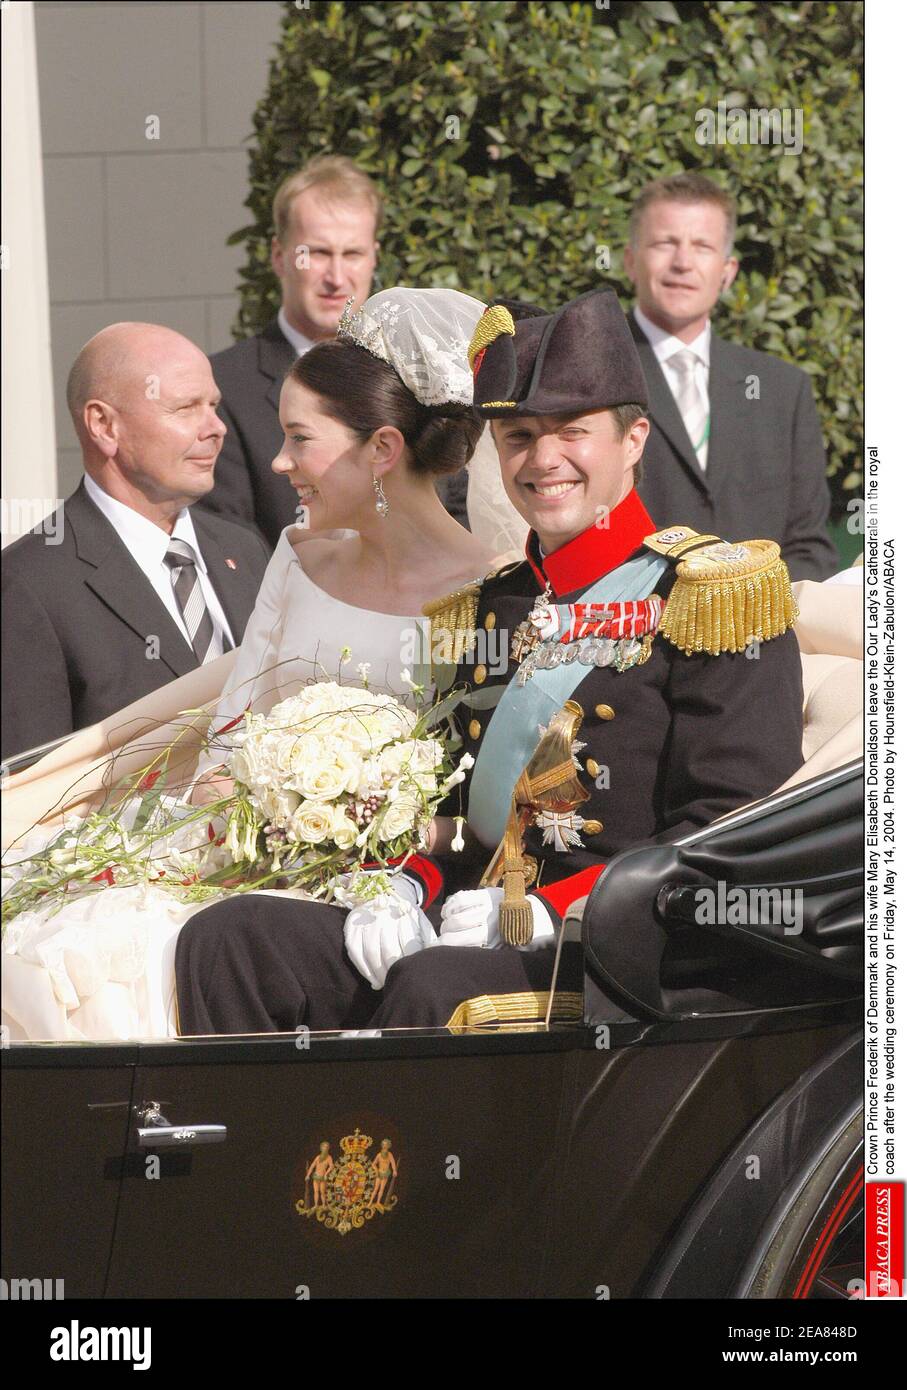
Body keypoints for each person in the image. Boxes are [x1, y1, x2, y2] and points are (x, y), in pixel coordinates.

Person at [173, 287, 805, 1036]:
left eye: (572, 432)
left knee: (437, 986)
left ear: (633, 439)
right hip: (471, 919)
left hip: (626, 948)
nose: (542, 461)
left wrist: (549, 912)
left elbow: (729, 834)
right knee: (233, 940)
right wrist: (403, 888)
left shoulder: (712, 594)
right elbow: (456, 814)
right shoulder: (484, 609)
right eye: (517, 437)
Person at [1, 288, 498, 1042]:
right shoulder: (296, 560)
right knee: (56, 948)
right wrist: (266, 807)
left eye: (299, 439)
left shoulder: (496, 592)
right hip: (245, 851)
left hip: (401, 885)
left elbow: (493, 801)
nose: (275, 462)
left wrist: (371, 836)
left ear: (382, 452)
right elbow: (230, 735)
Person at [0, 323, 270, 763]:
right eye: (185, 408)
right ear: (104, 425)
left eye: (214, 405)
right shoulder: (28, 586)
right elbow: (27, 793)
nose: (216, 428)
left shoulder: (243, 547)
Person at [200, 155, 469, 544]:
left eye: (353, 254)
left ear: (374, 256)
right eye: (318, 254)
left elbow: (454, 513)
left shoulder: (419, 374)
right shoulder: (225, 386)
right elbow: (229, 546)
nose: (337, 278)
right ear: (279, 256)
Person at [623, 173, 839, 582]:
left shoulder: (784, 390)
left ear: (727, 271)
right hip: (628, 633)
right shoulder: (590, 372)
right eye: (665, 243)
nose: (682, 262)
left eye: (702, 246)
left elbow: (810, 548)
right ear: (631, 261)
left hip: (766, 635)